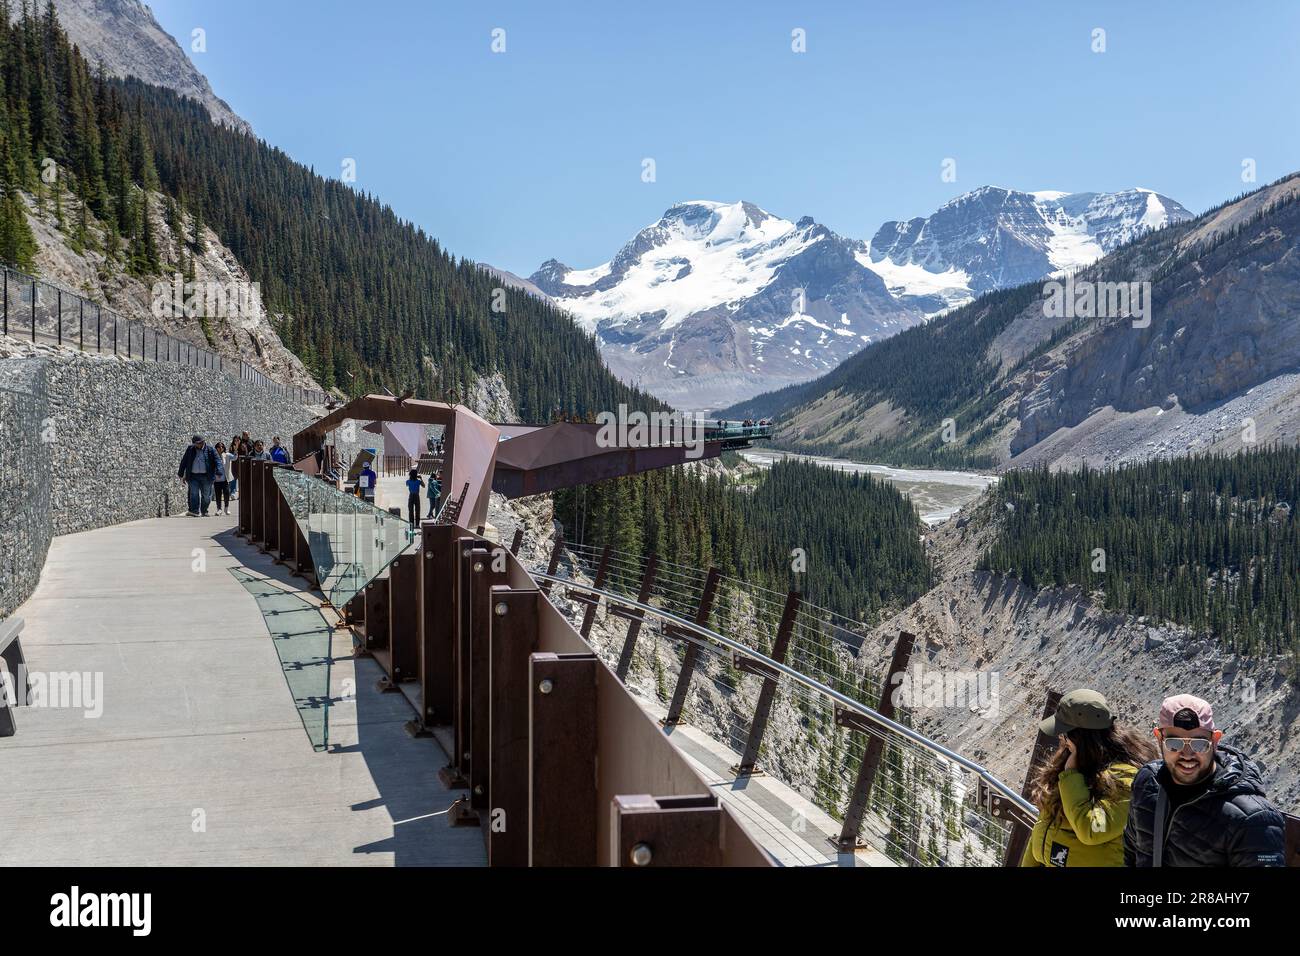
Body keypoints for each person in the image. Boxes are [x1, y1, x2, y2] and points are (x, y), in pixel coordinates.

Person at [1123, 694, 1285, 867]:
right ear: (1159, 738)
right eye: (1174, 743)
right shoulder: (1147, 782)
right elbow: (1132, 853)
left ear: (1215, 740)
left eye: (1199, 744)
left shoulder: (1253, 820)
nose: (1187, 755)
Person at [1021, 689, 1154, 867]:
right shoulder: (1073, 762)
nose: (1062, 739)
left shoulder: (1127, 780)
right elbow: (1045, 822)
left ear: (1081, 737)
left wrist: (1070, 776)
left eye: (1064, 734)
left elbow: (1092, 829)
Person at [177, 435, 219, 517]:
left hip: (207, 476)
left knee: (206, 496)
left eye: (198, 443)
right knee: (194, 493)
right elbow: (184, 461)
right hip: (193, 476)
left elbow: (217, 461)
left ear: (202, 442)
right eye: (195, 443)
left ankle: (204, 510)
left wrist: (219, 471)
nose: (196, 445)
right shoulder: (190, 449)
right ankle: (195, 511)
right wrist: (181, 474)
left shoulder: (210, 449)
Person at [212, 441, 233, 516]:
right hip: (216, 480)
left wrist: (236, 449)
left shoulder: (227, 455)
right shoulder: (213, 456)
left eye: (221, 447)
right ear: (216, 448)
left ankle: (226, 508)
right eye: (218, 447)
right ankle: (219, 509)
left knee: (226, 494)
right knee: (218, 495)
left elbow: (235, 458)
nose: (220, 448)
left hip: (225, 479)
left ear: (224, 448)